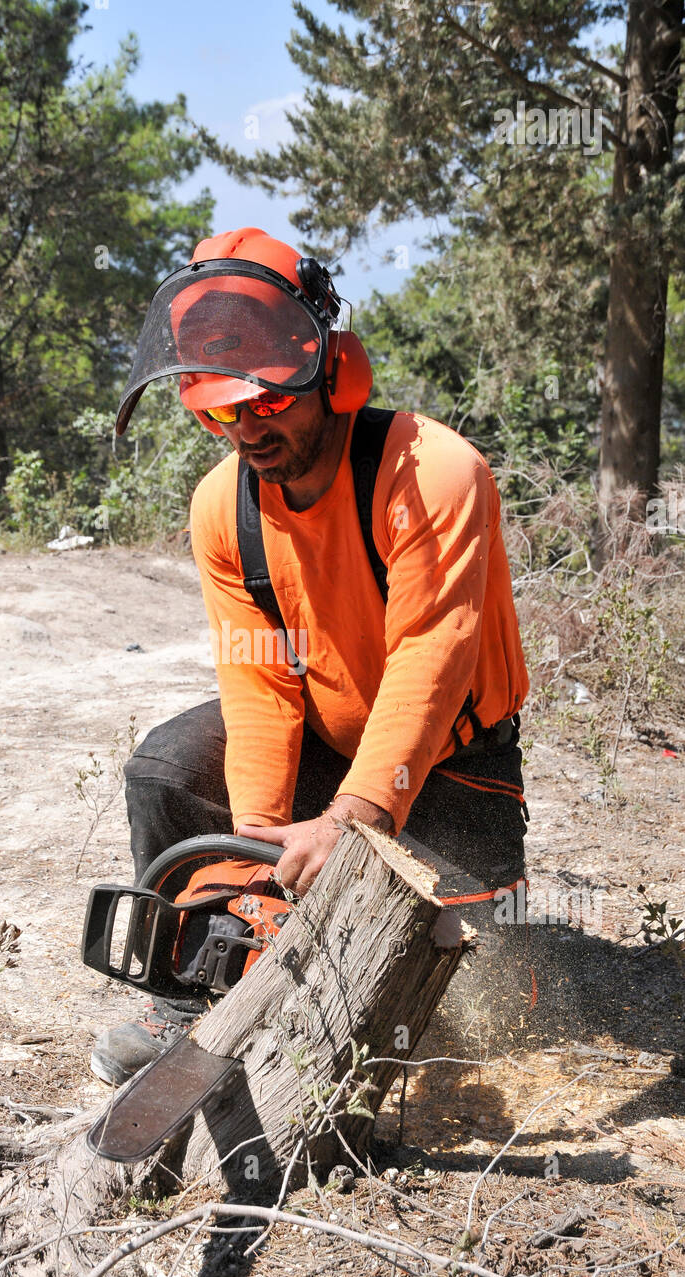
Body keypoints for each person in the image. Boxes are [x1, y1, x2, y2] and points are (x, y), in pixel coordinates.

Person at [91, 227, 530, 1086]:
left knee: (474, 991)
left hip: (448, 761)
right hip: (322, 745)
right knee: (166, 774)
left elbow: (428, 659)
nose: (246, 429)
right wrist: (254, 846)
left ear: (330, 369)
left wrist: (354, 817)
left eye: (266, 401)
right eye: (220, 408)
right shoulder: (224, 507)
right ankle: (186, 992)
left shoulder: (431, 472)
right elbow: (257, 677)